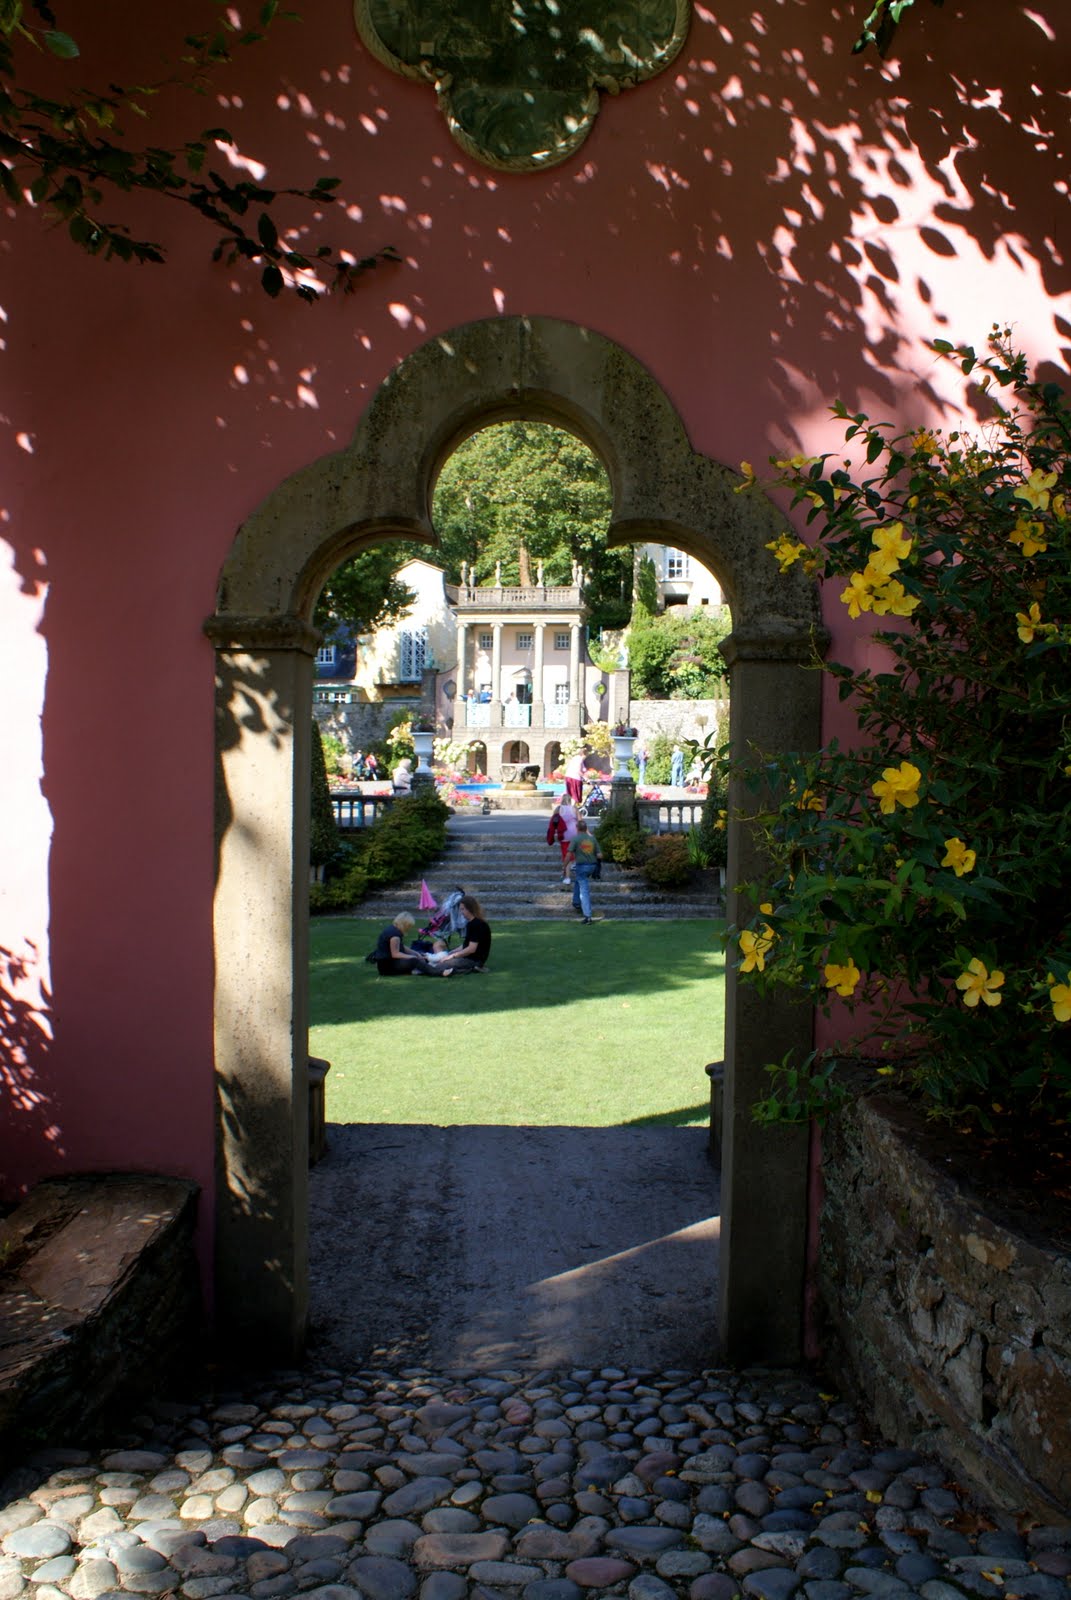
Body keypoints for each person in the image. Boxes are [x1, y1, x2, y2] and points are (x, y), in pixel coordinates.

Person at [431, 894, 492, 975]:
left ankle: (473, 968)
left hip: (474, 960)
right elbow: (466, 944)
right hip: (469, 958)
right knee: (442, 960)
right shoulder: (471, 923)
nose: (461, 912)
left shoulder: (477, 924)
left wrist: (453, 956)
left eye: (462, 909)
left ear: (469, 909)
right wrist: (452, 952)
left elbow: (471, 949)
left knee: (440, 966)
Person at [566, 817, 602, 923]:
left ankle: (588, 916)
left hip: (581, 866)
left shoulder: (576, 839)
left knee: (584, 890)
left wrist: (564, 865)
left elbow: (568, 854)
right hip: (592, 866)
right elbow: (600, 855)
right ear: (586, 828)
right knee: (579, 880)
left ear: (577, 829)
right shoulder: (593, 839)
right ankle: (576, 902)